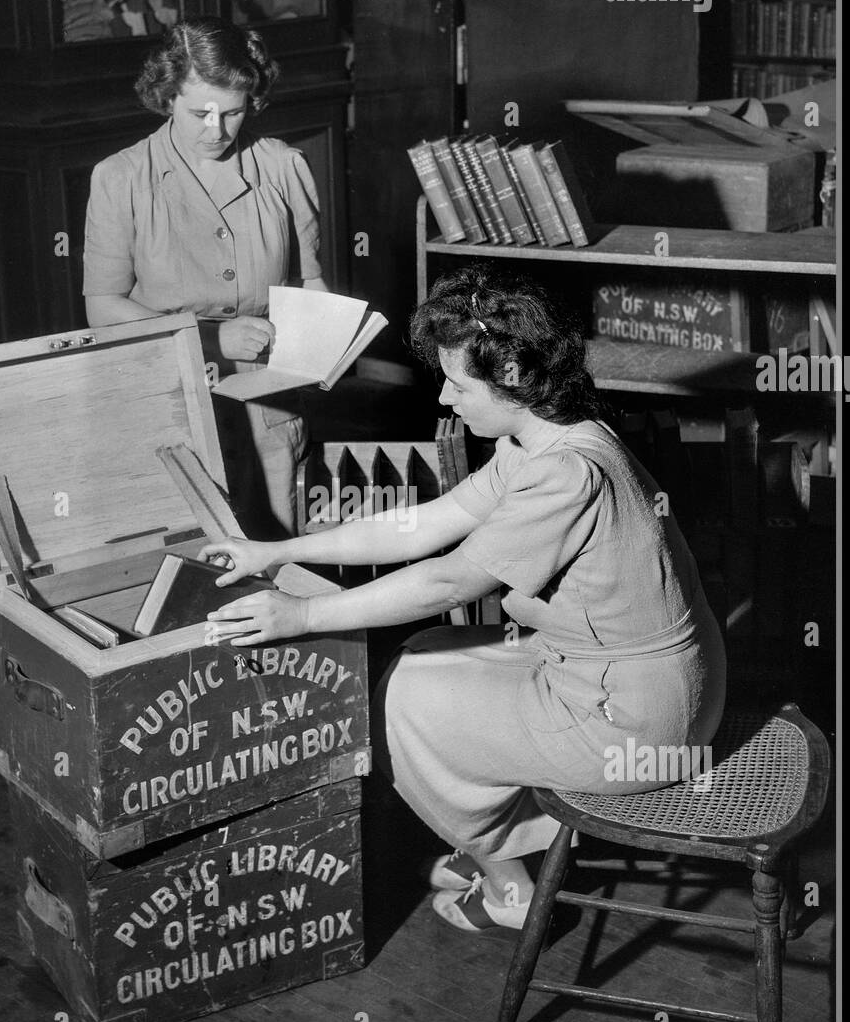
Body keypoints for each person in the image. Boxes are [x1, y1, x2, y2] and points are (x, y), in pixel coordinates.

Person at [199, 265, 727, 939]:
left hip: (641, 720)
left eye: (457, 382)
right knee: (421, 657)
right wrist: (276, 552)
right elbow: (428, 521)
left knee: (396, 705)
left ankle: (506, 883)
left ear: (510, 376)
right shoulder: (544, 436)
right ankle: (497, 836)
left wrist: (302, 616)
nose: (446, 399)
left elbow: (449, 581)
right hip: (615, 673)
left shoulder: (566, 474)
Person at [82, 16, 328, 538]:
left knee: (277, 552)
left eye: (233, 112)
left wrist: (328, 339)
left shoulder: (285, 166)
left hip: (268, 404)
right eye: (199, 112)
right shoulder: (120, 177)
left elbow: (310, 285)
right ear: (167, 96)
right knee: (188, 559)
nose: (215, 130)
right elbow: (102, 307)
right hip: (170, 400)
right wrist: (211, 336)